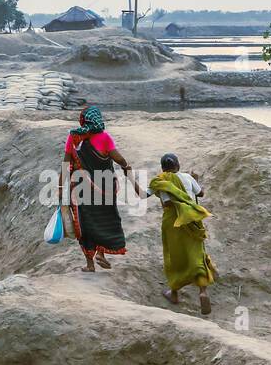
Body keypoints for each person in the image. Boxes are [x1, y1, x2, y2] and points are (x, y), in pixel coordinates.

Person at [62, 106, 142, 273]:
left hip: (82, 190)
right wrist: (126, 166)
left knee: (86, 224)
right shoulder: (104, 137)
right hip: (105, 187)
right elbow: (118, 158)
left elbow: (65, 164)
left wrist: (60, 187)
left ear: (83, 120)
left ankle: (90, 264)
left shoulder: (74, 137)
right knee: (106, 220)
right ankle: (101, 254)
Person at [149, 152, 217, 313]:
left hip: (172, 222)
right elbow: (200, 194)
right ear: (178, 165)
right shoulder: (187, 177)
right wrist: (195, 180)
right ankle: (203, 292)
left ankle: (174, 293)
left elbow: (165, 203)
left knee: (175, 256)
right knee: (197, 254)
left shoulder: (162, 181)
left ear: (163, 168)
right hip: (191, 220)